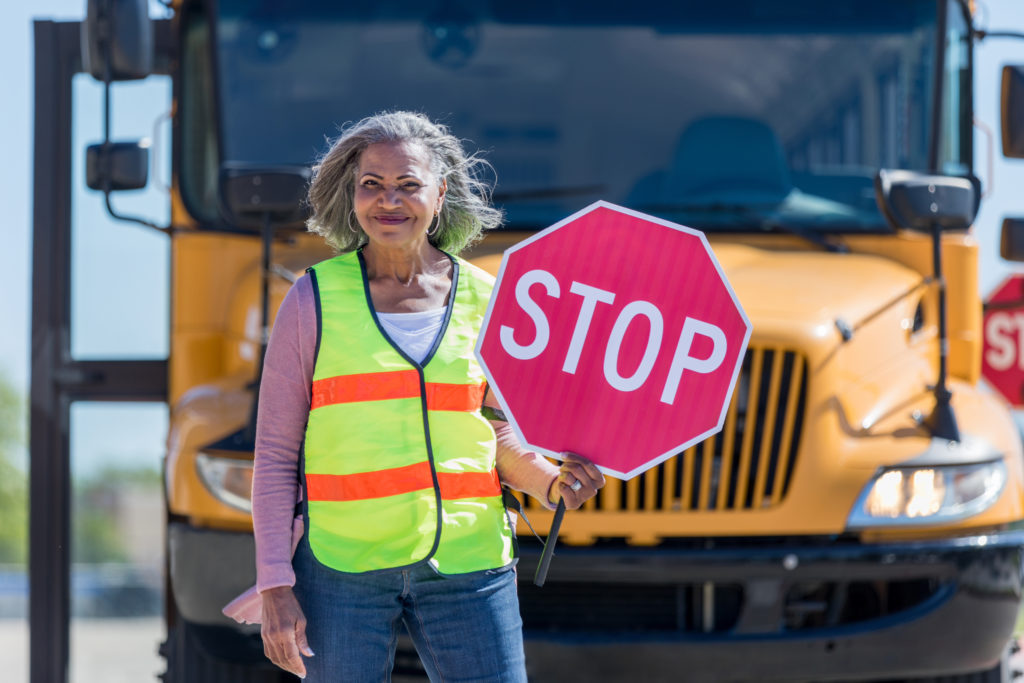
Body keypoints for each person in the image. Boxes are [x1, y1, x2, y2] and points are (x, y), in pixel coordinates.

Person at [246, 111, 605, 682]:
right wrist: (274, 585)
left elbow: (498, 434)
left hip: (470, 562)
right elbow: (275, 455)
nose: (388, 200)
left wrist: (551, 483)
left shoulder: (490, 299)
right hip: (342, 568)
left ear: (440, 196)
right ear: (352, 195)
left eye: (408, 184)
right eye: (372, 184)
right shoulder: (311, 301)